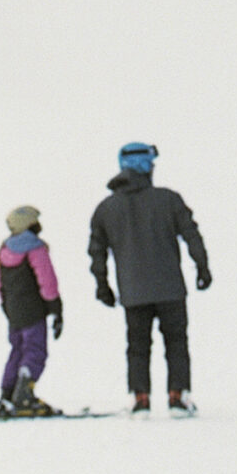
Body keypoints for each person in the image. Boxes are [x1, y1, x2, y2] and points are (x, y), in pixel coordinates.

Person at [87, 142, 210, 416]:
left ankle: (140, 398)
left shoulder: (106, 209)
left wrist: (102, 285)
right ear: (145, 167)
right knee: (176, 342)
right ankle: (178, 396)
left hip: (133, 291)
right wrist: (202, 267)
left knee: (137, 346)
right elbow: (192, 235)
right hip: (171, 289)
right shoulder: (169, 200)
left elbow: (97, 252)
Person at [0, 205, 63, 417]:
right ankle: (24, 391)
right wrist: (56, 308)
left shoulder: (4, 250)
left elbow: (0, 285)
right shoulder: (35, 248)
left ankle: (8, 392)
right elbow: (47, 280)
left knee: (17, 349)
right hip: (33, 311)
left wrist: (7, 307)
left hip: (14, 311)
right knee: (35, 349)